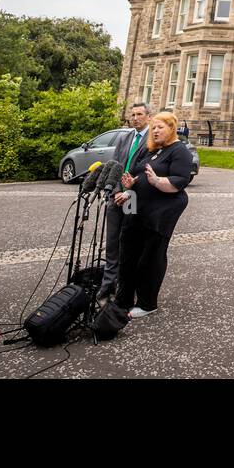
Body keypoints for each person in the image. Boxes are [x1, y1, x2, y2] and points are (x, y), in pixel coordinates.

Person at [112, 110, 193, 318]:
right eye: (154, 127)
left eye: (160, 127)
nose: (155, 131)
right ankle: (123, 299)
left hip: (160, 212)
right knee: (127, 253)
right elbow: (137, 176)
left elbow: (179, 182)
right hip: (135, 207)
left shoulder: (179, 151)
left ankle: (147, 303)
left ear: (171, 128)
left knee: (150, 257)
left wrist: (157, 181)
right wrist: (129, 188)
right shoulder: (150, 151)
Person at [97, 102, 151, 301]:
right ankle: (106, 286)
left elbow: (146, 170)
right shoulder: (124, 137)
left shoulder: (151, 139)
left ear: (148, 116)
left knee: (128, 244)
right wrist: (116, 190)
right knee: (111, 243)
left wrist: (129, 191)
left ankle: (125, 288)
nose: (135, 118)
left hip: (134, 197)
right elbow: (117, 165)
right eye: (133, 114)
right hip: (116, 195)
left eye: (139, 114)